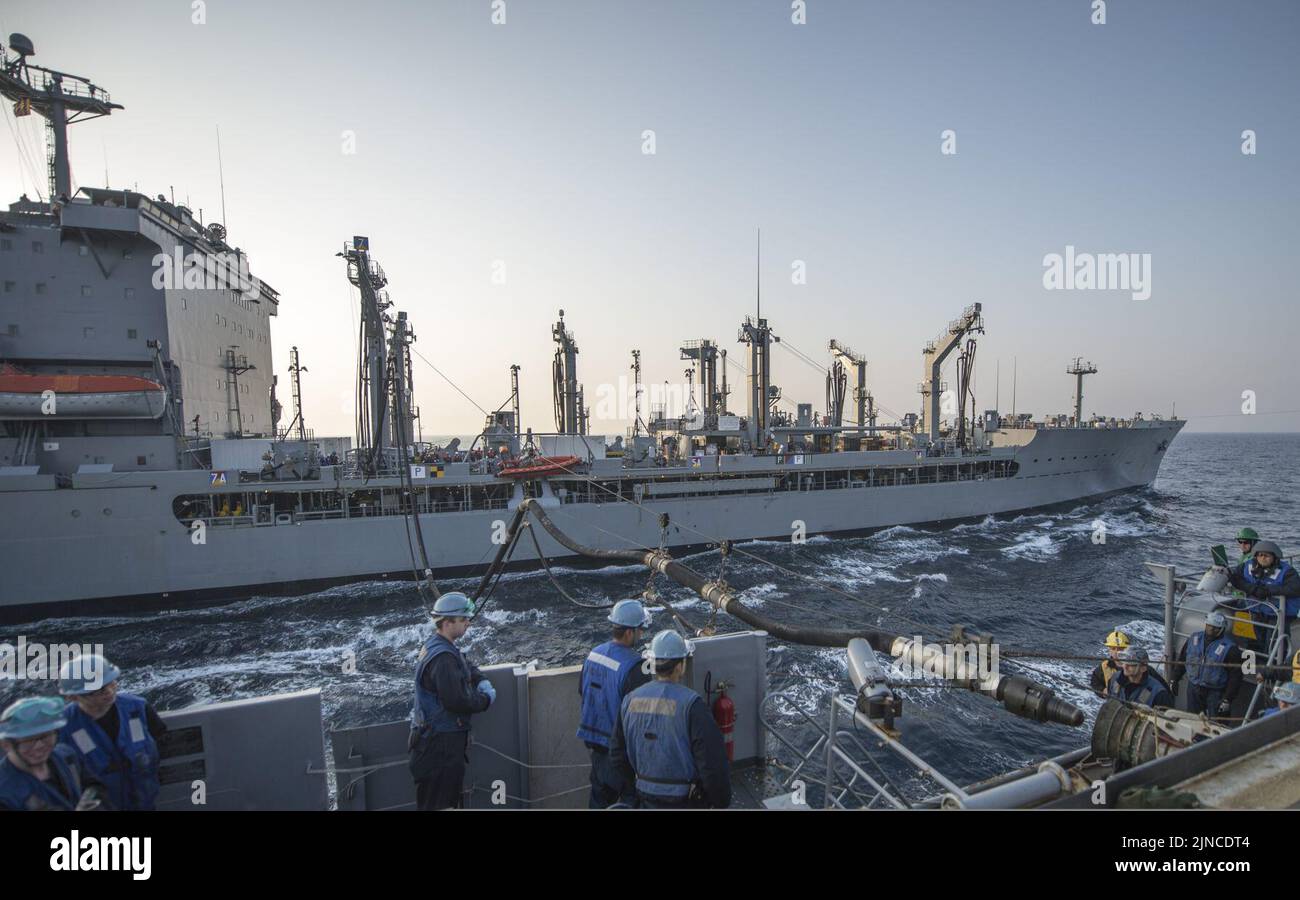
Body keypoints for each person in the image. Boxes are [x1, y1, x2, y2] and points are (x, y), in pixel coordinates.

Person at [609, 630, 731, 809]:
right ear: (680, 666)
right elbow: (711, 764)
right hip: (684, 802)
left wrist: (638, 786)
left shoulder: (630, 700)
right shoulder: (693, 705)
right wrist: (720, 802)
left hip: (644, 798)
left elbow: (617, 754)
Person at [409, 591, 494, 810]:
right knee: (441, 803)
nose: (468, 623)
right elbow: (456, 701)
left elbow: (464, 664)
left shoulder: (438, 645)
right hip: (440, 748)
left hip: (434, 744)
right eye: (463, 619)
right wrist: (485, 700)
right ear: (447, 623)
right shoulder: (443, 659)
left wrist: (480, 679)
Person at [58, 654, 166, 811]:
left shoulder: (138, 708)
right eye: (97, 690)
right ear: (73, 697)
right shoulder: (64, 726)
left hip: (143, 802)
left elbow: (160, 736)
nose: (108, 692)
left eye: (111, 683)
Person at [576, 599, 652, 808]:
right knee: (631, 801)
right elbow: (641, 716)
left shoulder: (593, 654)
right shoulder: (637, 666)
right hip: (621, 755)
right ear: (629, 632)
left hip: (596, 748)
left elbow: (583, 691)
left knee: (599, 800)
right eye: (640, 629)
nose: (641, 634)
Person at [0, 696, 107, 811]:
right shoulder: (4, 791)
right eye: (29, 740)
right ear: (6, 744)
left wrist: (91, 801)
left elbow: (94, 785)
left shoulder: (67, 757)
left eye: (46, 736)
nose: (39, 746)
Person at [1171, 611, 1242, 718]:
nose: (1211, 630)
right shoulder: (1194, 639)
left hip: (1215, 692)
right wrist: (1174, 679)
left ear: (1222, 629)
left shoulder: (1230, 649)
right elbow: (1183, 659)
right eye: (1209, 626)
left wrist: (1227, 699)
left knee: (1215, 721)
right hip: (1193, 687)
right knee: (1192, 718)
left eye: (1215, 628)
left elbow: (1235, 677)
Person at [1227, 540, 1300, 621]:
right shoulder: (1247, 565)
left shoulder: (1287, 571)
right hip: (1256, 610)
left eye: (1267, 555)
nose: (1263, 558)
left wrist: (1268, 590)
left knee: (1275, 633)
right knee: (1258, 632)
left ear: (1274, 557)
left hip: (1278, 613)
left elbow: (1295, 588)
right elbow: (1235, 577)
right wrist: (1253, 589)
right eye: (1260, 555)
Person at [1107, 646, 1176, 708]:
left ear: (1143, 668)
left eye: (1131, 664)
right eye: (1124, 662)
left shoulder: (1159, 694)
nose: (1124, 666)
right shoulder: (1114, 678)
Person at [1090, 628, 1130, 697]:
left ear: (1126, 649)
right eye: (1113, 648)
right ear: (1109, 650)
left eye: (1120, 648)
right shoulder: (1104, 667)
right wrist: (1102, 691)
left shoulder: (1136, 665)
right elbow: (1095, 683)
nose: (1116, 652)